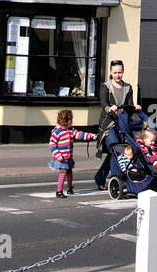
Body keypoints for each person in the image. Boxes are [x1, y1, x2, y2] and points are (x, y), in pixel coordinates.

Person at [93, 59, 144, 190]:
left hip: (122, 123)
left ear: (123, 72)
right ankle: (117, 179)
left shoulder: (128, 87)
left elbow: (129, 105)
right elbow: (103, 103)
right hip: (108, 124)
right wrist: (109, 108)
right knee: (115, 148)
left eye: (120, 72)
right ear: (110, 72)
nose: (117, 75)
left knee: (116, 152)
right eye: (115, 72)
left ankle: (100, 177)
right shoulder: (106, 87)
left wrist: (135, 107)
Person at [49, 108, 93, 197]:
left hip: (68, 156)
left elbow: (79, 134)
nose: (72, 121)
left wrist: (91, 136)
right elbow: (52, 144)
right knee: (63, 172)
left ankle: (69, 187)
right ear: (65, 121)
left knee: (69, 171)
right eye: (70, 120)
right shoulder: (57, 132)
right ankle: (59, 191)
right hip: (61, 157)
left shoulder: (70, 130)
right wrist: (58, 155)